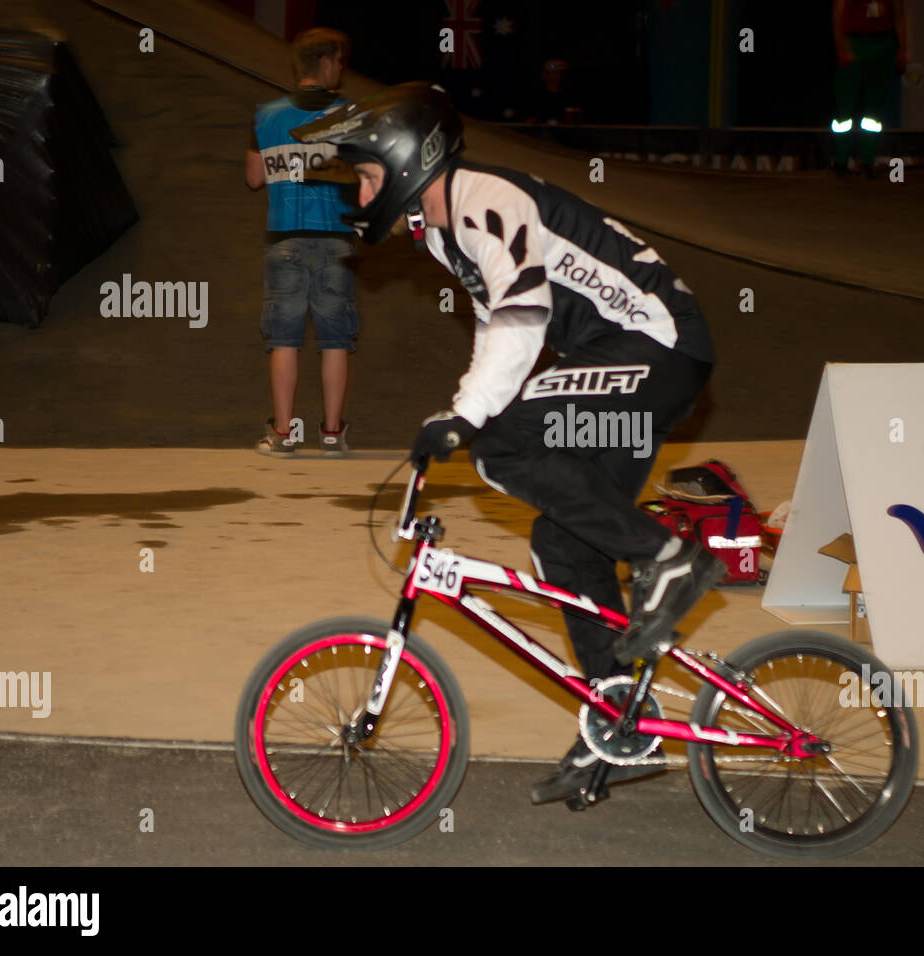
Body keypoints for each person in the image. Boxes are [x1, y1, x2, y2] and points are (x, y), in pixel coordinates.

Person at [293, 83, 725, 804]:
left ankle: (671, 557)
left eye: (366, 176)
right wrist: (456, 411)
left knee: (503, 446)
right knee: (564, 545)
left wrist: (469, 418)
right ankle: (620, 720)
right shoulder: (443, 231)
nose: (360, 195)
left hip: (655, 346)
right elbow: (496, 327)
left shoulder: (482, 198)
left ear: (405, 160)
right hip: (637, 367)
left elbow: (524, 319)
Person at [247, 27, 359, 457]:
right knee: (335, 340)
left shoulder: (266, 115)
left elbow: (254, 179)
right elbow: (366, 176)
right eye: (340, 62)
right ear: (328, 62)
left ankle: (282, 433)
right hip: (337, 239)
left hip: (284, 239)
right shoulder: (351, 115)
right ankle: (332, 434)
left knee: (284, 339)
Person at [830, 0, 907, 176]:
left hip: (881, 43)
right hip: (854, 42)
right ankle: (840, 160)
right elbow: (837, 13)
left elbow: (899, 14)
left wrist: (903, 48)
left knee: (874, 109)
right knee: (845, 105)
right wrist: (841, 46)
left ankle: (867, 160)